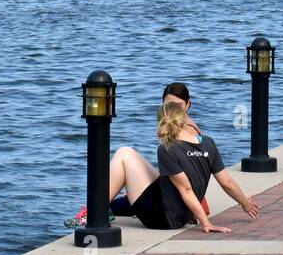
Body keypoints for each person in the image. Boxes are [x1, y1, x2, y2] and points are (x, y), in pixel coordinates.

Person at [104, 102, 260, 233]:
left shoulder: (167, 149)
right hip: (182, 214)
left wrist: (206, 223)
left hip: (162, 219)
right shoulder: (208, 143)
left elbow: (186, 189)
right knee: (136, 160)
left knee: (124, 153)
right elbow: (226, 182)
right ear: (186, 120)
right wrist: (245, 204)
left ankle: (95, 212)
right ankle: (105, 207)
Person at [69, 82, 207, 227]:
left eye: (177, 105)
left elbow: (188, 183)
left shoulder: (185, 131)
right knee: (119, 201)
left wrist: (198, 212)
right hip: (175, 204)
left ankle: (93, 212)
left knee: (124, 153)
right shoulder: (191, 128)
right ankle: (99, 209)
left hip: (167, 212)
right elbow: (189, 174)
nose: (172, 109)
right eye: (167, 105)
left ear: (188, 105)